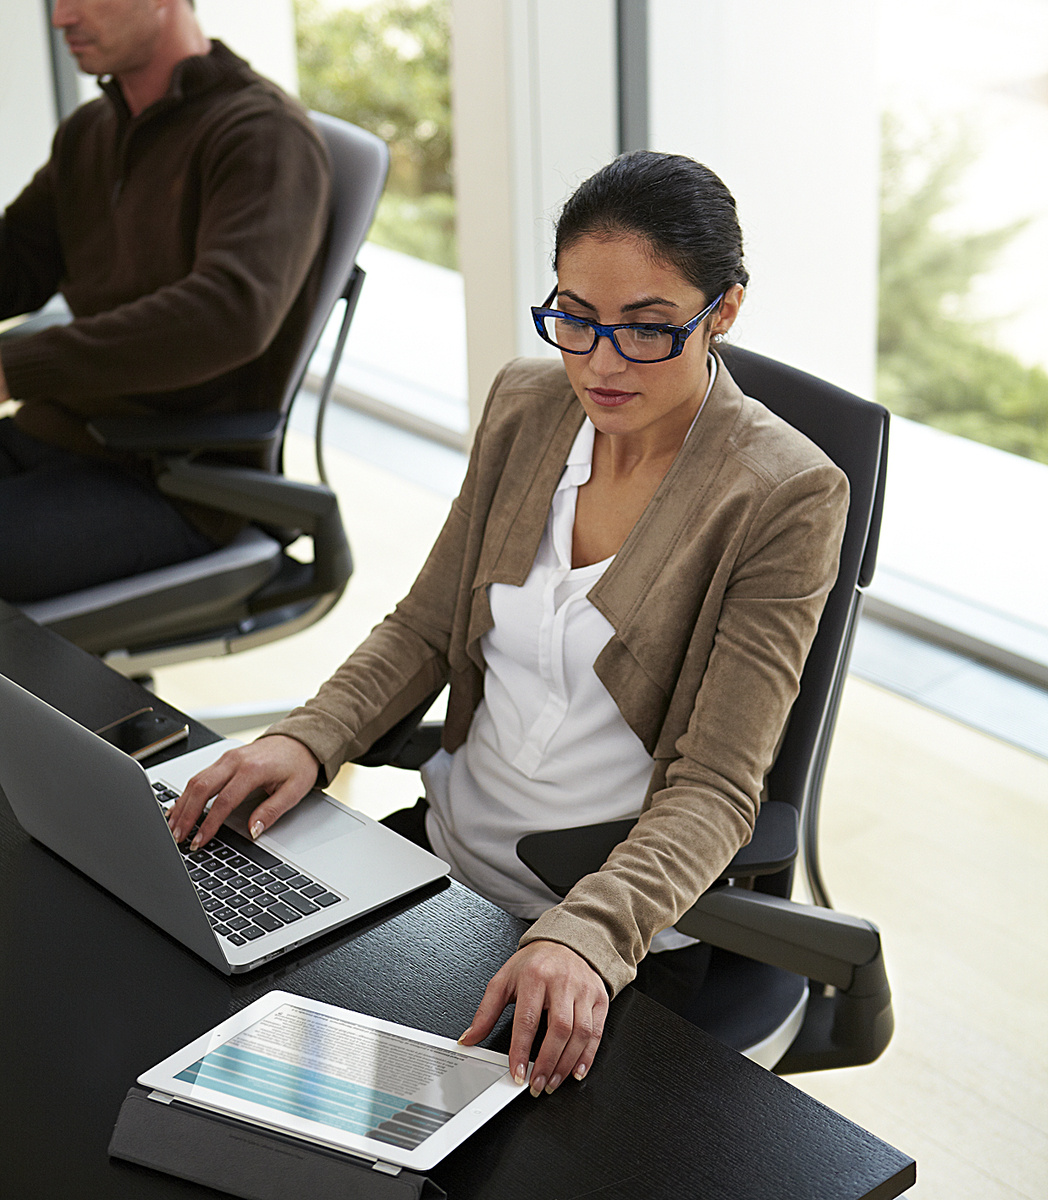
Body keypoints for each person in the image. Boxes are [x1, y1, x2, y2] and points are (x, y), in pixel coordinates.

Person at [167, 151, 849, 1098]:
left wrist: (589, 934)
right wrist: (307, 737)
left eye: (648, 329)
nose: (600, 363)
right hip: (440, 867)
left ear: (723, 310)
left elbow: (719, 790)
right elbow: (425, 627)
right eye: (574, 316)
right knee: (223, 1039)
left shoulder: (783, 492)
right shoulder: (528, 405)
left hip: (602, 923)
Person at [0, 0, 330, 602]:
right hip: (61, 433)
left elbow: (228, 314)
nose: (61, 18)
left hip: (173, 477)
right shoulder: (93, 131)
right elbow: (16, 260)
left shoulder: (262, 135)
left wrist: (16, 367)